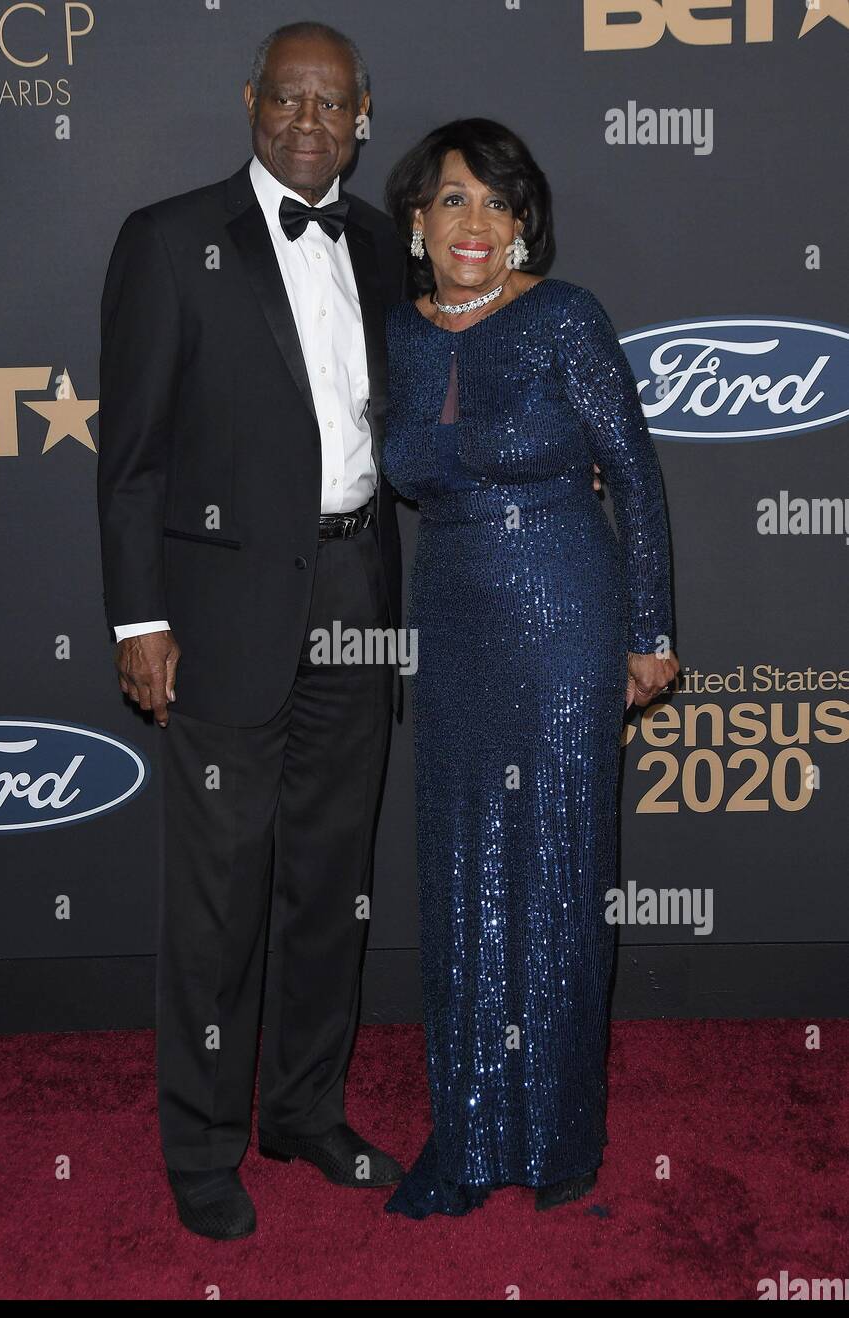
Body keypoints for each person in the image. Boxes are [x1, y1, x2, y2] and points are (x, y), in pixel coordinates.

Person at [96, 22, 407, 1241]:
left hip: (357, 599)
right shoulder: (170, 241)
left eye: (332, 106)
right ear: (250, 102)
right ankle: (203, 1146)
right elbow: (131, 461)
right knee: (221, 898)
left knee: (332, 884)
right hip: (218, 616)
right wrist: (139, 616)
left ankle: (304, 1109)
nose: (308, 123)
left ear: (363, 117)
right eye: (289, 100)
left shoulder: (381, 242)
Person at [380, 118, 679, 1218]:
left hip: (564, 610)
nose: (476, 222)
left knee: (553, 863)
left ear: (522, 225)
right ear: (416, 221)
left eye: (498, 203)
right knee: (462, 875)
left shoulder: (564, 316)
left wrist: (648, 629)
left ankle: (557, 1137)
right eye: (453, 199)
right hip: (453, 616)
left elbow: (634, 480)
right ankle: (466, 1135)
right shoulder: (401, 338)